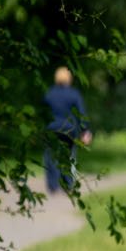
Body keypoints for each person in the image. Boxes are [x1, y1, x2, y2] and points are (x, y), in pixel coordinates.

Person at [43, 66, 91, 194]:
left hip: (52, 129)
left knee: (50, 156)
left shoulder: (50, 93)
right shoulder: (74, 94)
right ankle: (68, 184)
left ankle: (53, 186)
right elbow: (82, 113)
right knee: (70, 156)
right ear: (69, 79)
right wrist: (85, 130)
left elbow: (43, 111)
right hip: (69, 130)